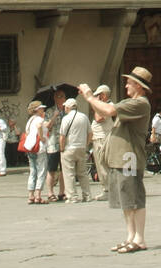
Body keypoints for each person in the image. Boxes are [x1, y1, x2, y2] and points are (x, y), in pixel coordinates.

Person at [79, 66, 152, 253]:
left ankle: (139, 238)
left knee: (134, 197)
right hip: (121, 157)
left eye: (129, 82)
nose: (126, 84)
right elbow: (103, 112)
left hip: (129, 157)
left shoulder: (140, 103)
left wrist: (89, 97)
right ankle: (130, 236)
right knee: (125, 199)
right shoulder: (130, 102)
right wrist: (91, 99)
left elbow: (109, 110)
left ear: (138, 85)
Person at [59, 97, 93, 203]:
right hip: (81, 148)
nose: (64, 108)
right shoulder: (84, 117)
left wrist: (61, 148)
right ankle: (87, 195)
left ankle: (72, 196)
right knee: (82, 173)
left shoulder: (66, 118)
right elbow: (90, 133)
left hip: (69, 148)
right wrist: (85, 144)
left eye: (65, 106)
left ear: (68, 107)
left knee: (69, 173)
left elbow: (62, 136)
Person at [88, 84, 113, 200]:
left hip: (103, 139)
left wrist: (95, 103)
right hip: (99, 138)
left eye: (98, 95)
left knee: (103, 165)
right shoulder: (105, 106)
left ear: (102, 95)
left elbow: (98, 118)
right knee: (100, 165)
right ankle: (107, 189)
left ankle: (108, 190)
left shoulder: (108, 106)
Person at [21, 101, 48, 204]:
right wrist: (42, 138)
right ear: (37, 109)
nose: (43, 110)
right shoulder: (39, 119)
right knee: (41, 171)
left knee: (33, 171)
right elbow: (39, 126)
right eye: (41, 108)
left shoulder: (30, 120)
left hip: (30, 147)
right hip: (39, 147)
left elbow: (27, 132)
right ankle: (38, 195)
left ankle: (30, 195)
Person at [44, 105, 65, 202]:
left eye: (63, 97)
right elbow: (47, 126)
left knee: (63, 170)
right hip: (52, 145)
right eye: (59, 96)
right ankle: (50, 193)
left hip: (64, 144)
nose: (62, 99)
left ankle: (62, 192)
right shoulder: (49, 111)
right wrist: (55, 116)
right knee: (51, 170)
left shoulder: (66, 110)